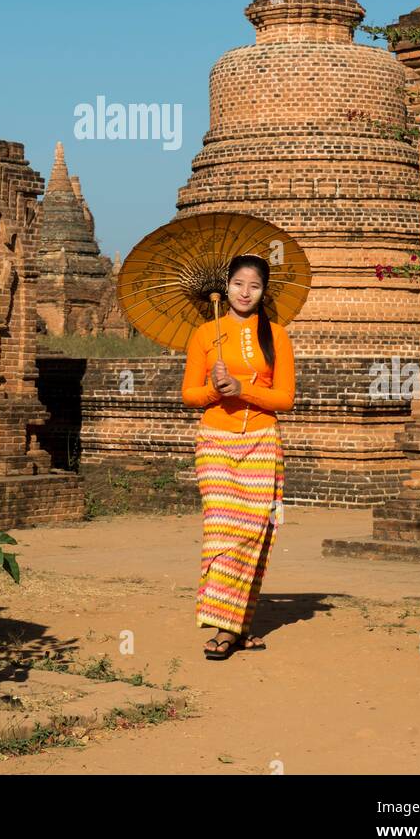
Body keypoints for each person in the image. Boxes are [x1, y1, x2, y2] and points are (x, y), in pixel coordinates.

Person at [181, 253, 295, 659]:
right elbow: (189, 394)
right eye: (238, 284)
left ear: (263, 292)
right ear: (225, 285)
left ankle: (239, 625)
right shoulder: (204, 333)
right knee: (222, 531)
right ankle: (223, 628)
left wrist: (243, 390)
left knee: (254, 534)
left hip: (262, 443)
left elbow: (285, 398)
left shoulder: (276, 335)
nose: (245, 292)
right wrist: (215, 391)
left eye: (255, 286)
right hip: (215, 441)